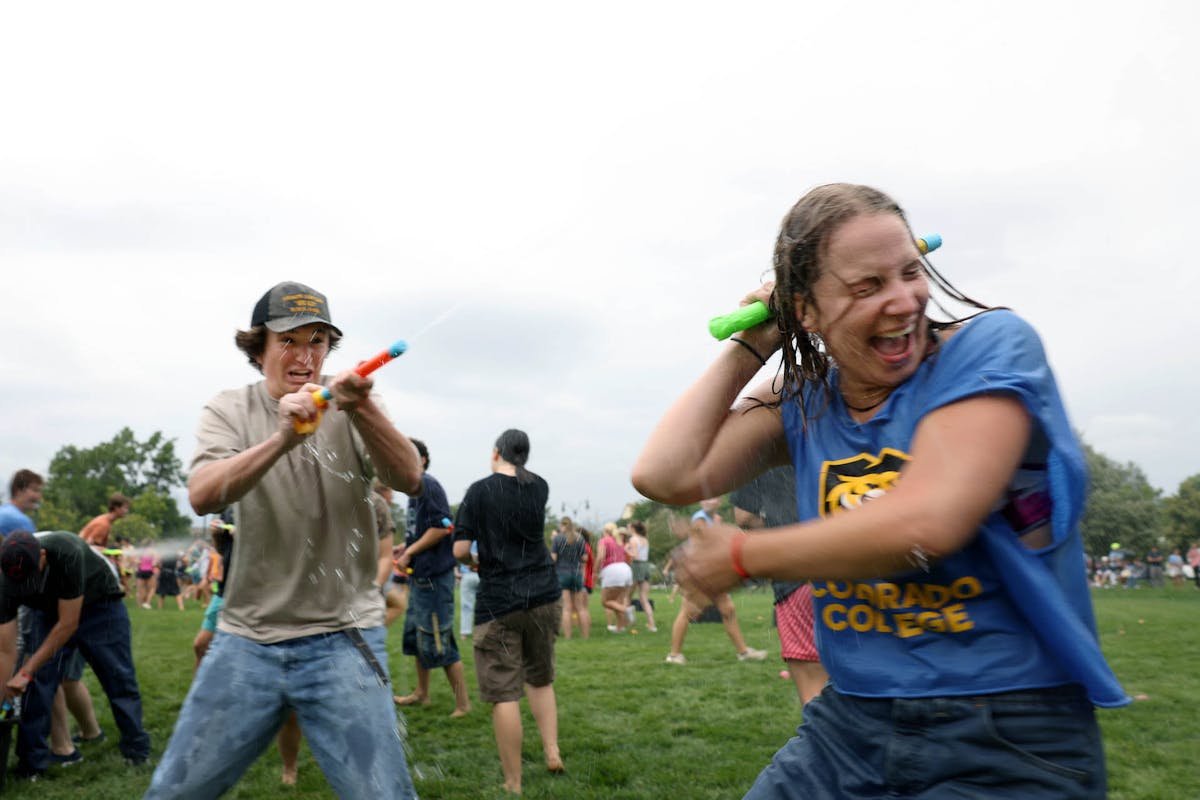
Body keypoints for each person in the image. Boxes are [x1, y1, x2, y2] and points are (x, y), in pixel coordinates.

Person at [633, 184, 1129, 798]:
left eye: (910, 272)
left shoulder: (991, 349)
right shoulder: (806, 401)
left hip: (1007, 729)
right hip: (849, 726)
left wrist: (742, 556)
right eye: (867, 286)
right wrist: (754, 342)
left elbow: (929, 520)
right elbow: (665, 474)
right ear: (806, 310)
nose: (904, 299)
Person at [144, 280, 422, 799]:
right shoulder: (229, 409)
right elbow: (203, 495)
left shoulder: (355, 400)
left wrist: (363, 409)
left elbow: (409, 478)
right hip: (247, 637)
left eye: (318, 341)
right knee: (175, 791)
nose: (305, 355)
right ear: (259, 349)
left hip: (345, 636)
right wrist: (281, 440)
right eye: (288, 341)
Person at [453, 429, 563, 795]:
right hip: (544, 595)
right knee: (541, 678)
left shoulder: (479, 491)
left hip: (499, 601)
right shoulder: (539, 486)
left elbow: (459, 550)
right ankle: (552, 751)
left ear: (496, 452)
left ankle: (513, 782)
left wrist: (472, 562)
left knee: (504, 694)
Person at [0, 530, 151, 780]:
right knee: (36, 686)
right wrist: (5, 690)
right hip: (47, 613)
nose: (27, 585)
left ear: (42, 555)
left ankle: (137, 750)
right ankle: (31, 765)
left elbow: (68, 623)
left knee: (118, 678)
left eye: (31, 575)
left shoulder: (66, 551)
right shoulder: (5, 581)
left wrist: (25, 671)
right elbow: (5, 649)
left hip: (101, 606)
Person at [192, 512, 301, 785]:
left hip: (267, 599)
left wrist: (254, 537)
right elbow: (225, 551)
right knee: (201, 645)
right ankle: (204, 705)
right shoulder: (232, 505)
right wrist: (218, 537)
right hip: (227, 594)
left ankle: (290, 766)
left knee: (285, 690)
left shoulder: (280, 501)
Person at [732, 466, 827, 703]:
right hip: (857, 568)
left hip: (796, 575)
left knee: (815, 691)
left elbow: (744, 516)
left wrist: (777, 525)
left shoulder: (762, 455)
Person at [393, 439, 471, 718]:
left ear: (422, 460)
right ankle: (421, 694)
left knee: (441, 641)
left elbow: (442, 527)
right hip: (420, 578)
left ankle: (463, 704)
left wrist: (410, 551)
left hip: (435, 580)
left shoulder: (429, 485)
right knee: (417, 639)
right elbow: (423, 531)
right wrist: (405, 546)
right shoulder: (414, 491)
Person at [663, 498, 767, 665]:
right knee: (687, 611)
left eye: (712, 499)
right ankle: (674, 655)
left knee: (728, 610)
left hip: (709, 573)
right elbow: (702, 544)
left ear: (718, 501)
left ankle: (743, 652)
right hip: (700, 573)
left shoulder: (713, 519)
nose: (708, 501)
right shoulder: (700, 518)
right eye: (706, 499)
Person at [551, 517, 590, 639]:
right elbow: (585, 558)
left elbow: (553, 559)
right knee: (581, 607)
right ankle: (585, 636)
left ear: (562, 525)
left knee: (566, 608)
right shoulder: (579, 538)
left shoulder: (557, 538)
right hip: (577, 574)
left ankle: (568, 637)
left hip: (562, 574)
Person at [595, 522, 632, 633]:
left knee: (606, 601)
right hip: (625, 569)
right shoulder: (619, 541)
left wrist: (595, 571)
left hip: (612, 570)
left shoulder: (604, 540)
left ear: (605, 531)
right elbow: (627, 556)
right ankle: (620, 628)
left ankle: (626, 610)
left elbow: (600, 557)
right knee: (617, 601)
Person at [625, 521, 658, 632]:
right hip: (646, 566)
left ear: (633, 529)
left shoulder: (633, 539)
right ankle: (652, 625)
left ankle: (626, 622)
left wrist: (626, 550)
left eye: (628, 528)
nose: (627, 530)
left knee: (627, 596)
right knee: (644, 598)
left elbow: (635, 556)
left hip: (637, 566)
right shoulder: (645, 539)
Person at [0, 470, 42, 537]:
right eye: (35, 490)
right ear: (19, 491)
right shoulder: (21, 521)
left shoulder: (2, 509)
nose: (39, 496)